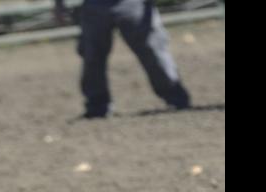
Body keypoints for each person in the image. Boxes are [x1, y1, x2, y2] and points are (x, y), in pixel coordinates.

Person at [55, 0, 191, 118]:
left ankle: (176, 97)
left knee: (152, 50)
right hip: (94, 5)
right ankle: (96, 105)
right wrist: (59, 4)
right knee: (92, 56)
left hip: (133, 3)